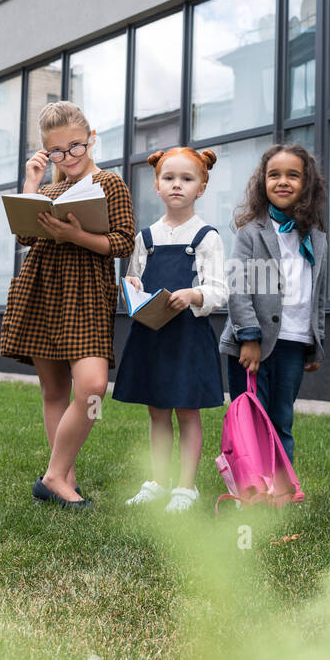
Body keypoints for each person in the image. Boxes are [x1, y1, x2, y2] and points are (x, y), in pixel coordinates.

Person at [0, 101, 136, 511]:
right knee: (55, 390)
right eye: (57, 152)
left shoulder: (111, 184)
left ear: (91, 138)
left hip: (87, 294)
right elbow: (24, 238)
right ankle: (65, 479)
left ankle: (53, 475)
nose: (68, 158)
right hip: (41, 289)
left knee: (92, 388)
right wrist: (31, 184)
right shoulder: (46, 190)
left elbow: (124, 242)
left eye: (75, 147)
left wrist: (75, 235)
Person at [114, 148, 227, 512]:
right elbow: (134, 279)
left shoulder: (207, 237)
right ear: (157, 186)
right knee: (157, 411)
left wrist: (195, 294)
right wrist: (131, 287)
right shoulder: (144, 238)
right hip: (152, 335)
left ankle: (186, 487)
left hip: (188, 339)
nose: (177, 185)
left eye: (187, 179)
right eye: (169, 178)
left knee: (187, 411)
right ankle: (158, 482)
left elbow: (220, 290)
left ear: (202, 187)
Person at [218, 143, 328, 468]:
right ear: (262, 182)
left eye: (293, 175)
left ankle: (280, 489)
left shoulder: (317, 238)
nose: (282, 181)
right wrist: (248, 338)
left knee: (282, 418)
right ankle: (249, 487)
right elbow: (238, 287)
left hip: (293, 342)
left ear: (306, 184)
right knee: (251, 418)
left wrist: (315, 341)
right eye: (274, 175)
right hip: (251, 345)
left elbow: (317, 294)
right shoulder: (251, 233)